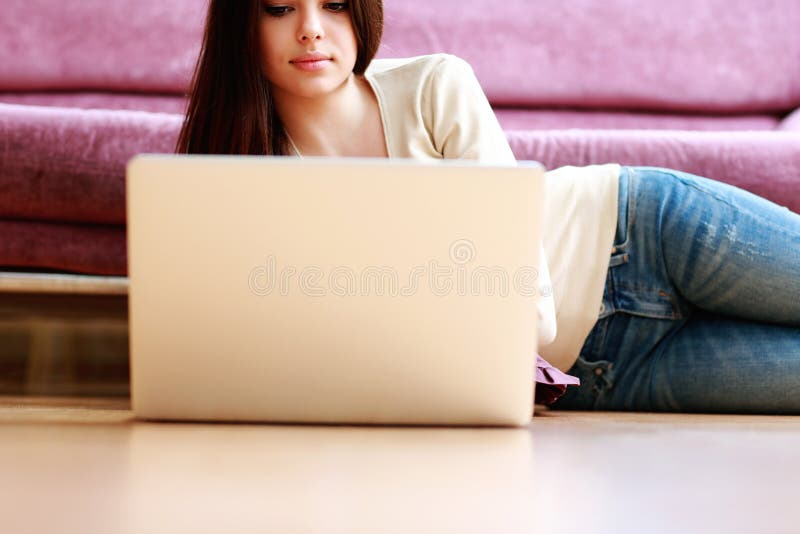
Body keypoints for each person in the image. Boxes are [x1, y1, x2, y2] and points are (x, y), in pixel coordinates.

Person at [177, 0, 800, 414]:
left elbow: (526, 310)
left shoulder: (435, 85)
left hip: (641, 233)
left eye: (334, 3)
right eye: (280, 7)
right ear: (241, 24)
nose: (311, 27)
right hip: (598, 374)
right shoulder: (242, 180)